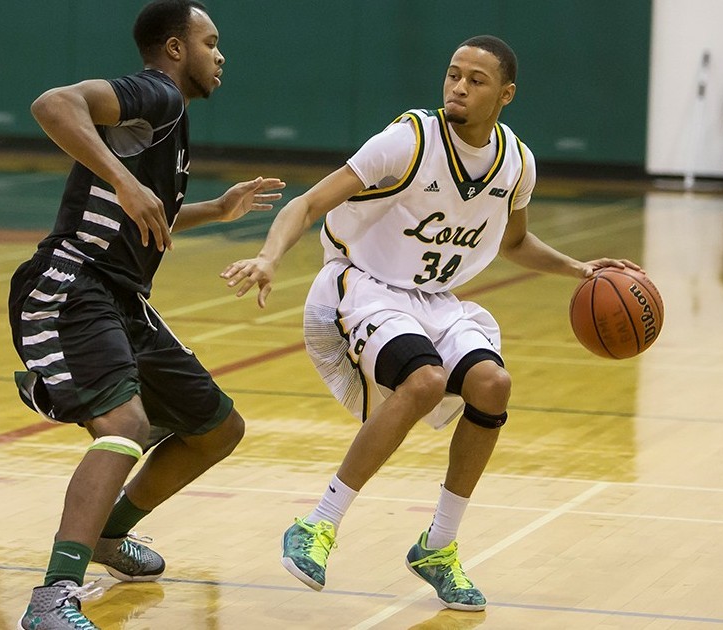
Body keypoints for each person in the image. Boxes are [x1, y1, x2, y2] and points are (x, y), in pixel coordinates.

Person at [221, 35, 639, 612]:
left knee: (493, 385)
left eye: (476, 80)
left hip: (433, 298)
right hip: (361, 284)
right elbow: (308, 204)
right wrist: (269, 256)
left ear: (506, 94)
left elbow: (514, 241)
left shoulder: (516, 163)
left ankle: (437, 546)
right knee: (423, 381)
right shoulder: (409, 140)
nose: (459, 88)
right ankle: (318, 523)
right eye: (453, 75)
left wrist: (577, 268)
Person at [8, 2, 284, 628]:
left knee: (217, 429)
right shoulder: (156, 93)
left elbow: (147, 211)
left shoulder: (170, 119)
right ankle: (52, 598)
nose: (221, 55)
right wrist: (123, 182)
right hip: (73, 283)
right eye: (211, 42)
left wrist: (214, 210)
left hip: (122, 299)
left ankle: (106, 535)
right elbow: (53, 104)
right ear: (175, 48)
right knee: (126, 425)